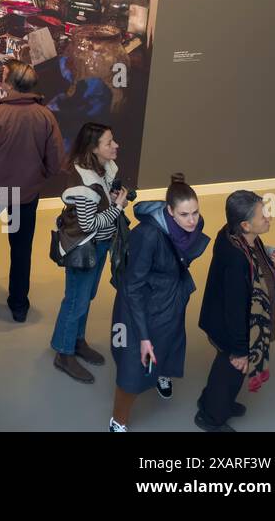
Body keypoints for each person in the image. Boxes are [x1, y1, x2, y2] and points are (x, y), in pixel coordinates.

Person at [108, 173, 209, 431]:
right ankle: (119, 420)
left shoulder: (193, 225)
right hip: (141, 305)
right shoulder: (148, 235)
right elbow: (133, 286)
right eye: (185, 214)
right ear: (169, 211)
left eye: (195, 213)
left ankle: (161, 374)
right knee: (133, 364)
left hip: (170, 301)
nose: (192, 220)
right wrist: (142, 336)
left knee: (169, 345)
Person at [0, 62, 62, 321]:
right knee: (21, 248)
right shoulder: (45, 116)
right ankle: (19, 304)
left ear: (9, 83)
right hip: (25, 196)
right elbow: (55, 163)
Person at [195, 189, 275, 432]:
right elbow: (234, 308)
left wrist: (268, 258)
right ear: (245, 224)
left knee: (226, 371)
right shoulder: (235, 258)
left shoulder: (234, 235)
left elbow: (253, 264)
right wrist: (240, 350)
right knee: (230, 371)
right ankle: (211, 418)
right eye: (262, 215)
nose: (268, 217)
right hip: (230, 327)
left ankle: (211, 402)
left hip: (226, 321)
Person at [51, 122, 129, 384]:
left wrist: (111, 197)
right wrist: (117, 207)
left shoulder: (102, 168)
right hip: (86, 248)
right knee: (76, 300)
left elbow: (100, 206)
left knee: (86, 297)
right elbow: (89, 225)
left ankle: (76, 341)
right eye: (109, 142)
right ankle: (63, 352)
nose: (115, 145)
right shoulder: (83, 182)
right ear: (93, 148)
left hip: (99, 246)